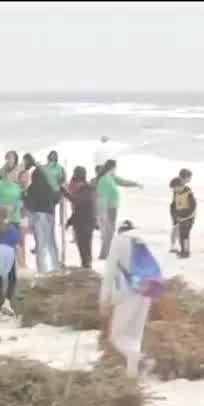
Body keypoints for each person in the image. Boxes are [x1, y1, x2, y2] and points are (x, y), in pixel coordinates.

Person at [100, 220, 155, 377]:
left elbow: (110, 273)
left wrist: (104, 300)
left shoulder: (119, 241)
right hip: (146, 293)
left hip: (127, 294)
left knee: (116, 336)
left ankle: (141, 358)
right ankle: (132, 374)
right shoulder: (143, 241)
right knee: (134, 336)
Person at [95, 160, 142, 260]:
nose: (116, 170)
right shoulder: (104, 180)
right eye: (115, 168)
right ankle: (105, 255)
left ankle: (105, 254)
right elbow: (102, 197)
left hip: (112, 209)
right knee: (108, 232)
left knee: (109, 232)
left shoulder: (111, 178)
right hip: (108, 209)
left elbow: (123, 182)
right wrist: (102, 213)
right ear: (112, 168)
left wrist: (136, 184)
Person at [24, 156, 61, 272]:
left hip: (39, 215)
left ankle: (42, 268)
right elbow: (56, 198)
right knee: (51, 242)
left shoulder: (31, 188)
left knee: (40, 243)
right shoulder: (49, 187)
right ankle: (55, 266)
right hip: (50, 214)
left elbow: (29, 203)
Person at [63, 167, 97, 269]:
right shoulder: (86, 188)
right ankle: (86, 265)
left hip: (84, 223)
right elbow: (78, 208)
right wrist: (70, 221)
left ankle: (87, 266)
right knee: (83, 246)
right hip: (83, 222)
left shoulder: (86, 188)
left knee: (84, 246)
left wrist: (64, 192)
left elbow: (77, 202)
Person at [0, 170, 24, 237]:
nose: (14, 175)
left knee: (14, 238)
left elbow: (20, 201)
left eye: (15, 174)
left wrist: (15, 206)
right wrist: (2, 207)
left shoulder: (17, 187)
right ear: (7, 174)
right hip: (1, 218)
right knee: (1, 237)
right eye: (12, 173)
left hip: (15, 217)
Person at [169, 175, 197, 257]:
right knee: (181, 235)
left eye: (174, 188)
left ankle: (186, 252)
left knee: (185, 235)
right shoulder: (176, 193)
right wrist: (175, 217)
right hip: (179, 218)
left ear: (180, 186)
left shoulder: (189, 194)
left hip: (188, 218)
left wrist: (184, 216)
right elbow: (173, 206)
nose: (174, 190)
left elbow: (193, 207)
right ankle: (183, 251)